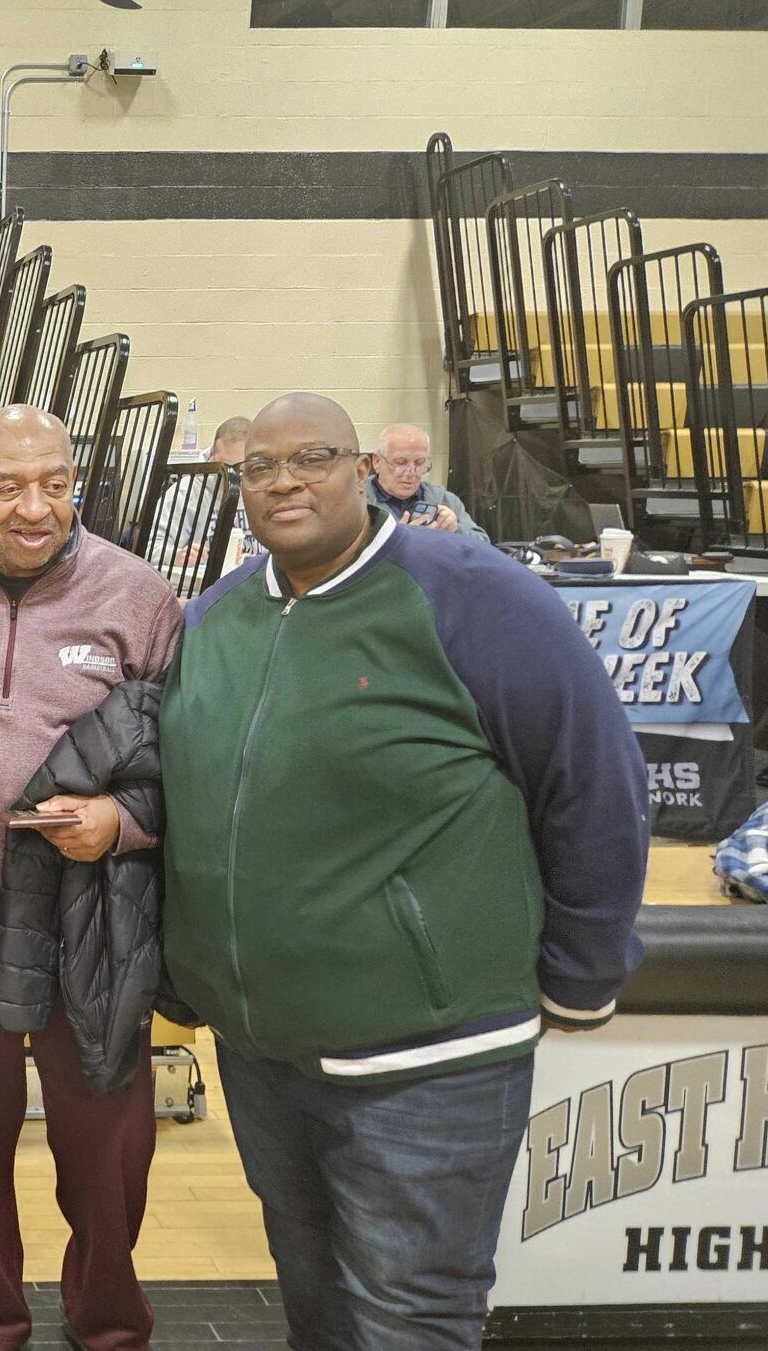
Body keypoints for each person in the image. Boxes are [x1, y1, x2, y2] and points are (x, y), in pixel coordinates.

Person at [159, 393, 649, 1350]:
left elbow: (594, 775)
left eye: (312, 457)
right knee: (317, 1306)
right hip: (263, 1053)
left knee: (409, 1316)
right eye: (260, 467)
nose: (284, 481)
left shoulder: (471, 590)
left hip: (429, 1058)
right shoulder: (217, 617)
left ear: (362, 469)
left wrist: (585, 970)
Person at [0, 405, 181, 1351]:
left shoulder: (139, 593)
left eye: (54, 482)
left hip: (88, 928)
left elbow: (195, 761)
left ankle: (108, 1324)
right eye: (8, 485)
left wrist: (124, 823)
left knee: (109, 1155)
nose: (34, 506)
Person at [139, 414, 256, 567]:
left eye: (242, 469)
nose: (233, 476)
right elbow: (147, 548)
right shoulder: (184, 492)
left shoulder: (264, 489)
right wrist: (176, 557)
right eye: (226, 466)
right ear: (212, 454)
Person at [365, 422, 486, 539]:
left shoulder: (444, 499)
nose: (411, 473)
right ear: (377, 462)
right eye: (401, 463)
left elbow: (485, 545)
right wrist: (397, 541)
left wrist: (456, 529)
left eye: (419, 463)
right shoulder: (357, 502)